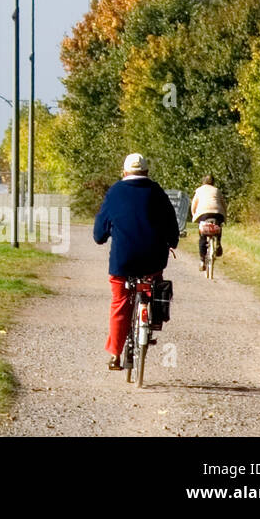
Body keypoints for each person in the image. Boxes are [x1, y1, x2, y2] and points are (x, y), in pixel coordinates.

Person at [93, 153, 182, 370]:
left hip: (123, 261)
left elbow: (99, 233)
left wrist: (104, 236)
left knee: (120, 302)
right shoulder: (157, 192)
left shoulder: (115, 192)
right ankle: (151, 321)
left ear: (124, 172)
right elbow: (172, 228)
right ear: (146, 173)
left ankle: (115, 354)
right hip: (153, 260)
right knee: (152, 286)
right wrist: (172, 242)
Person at [190, 174, 226, 270]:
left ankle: (202, 260)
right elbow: (223, 204)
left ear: (203, 181)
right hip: (217, 213)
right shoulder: (216, 190)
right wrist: (224, 217)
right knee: (218, 226)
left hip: (203, 214)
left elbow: (193, 205)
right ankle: (218, 242)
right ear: (213, 182)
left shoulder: (199, 190)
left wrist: (194, 216)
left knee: (202, 236)